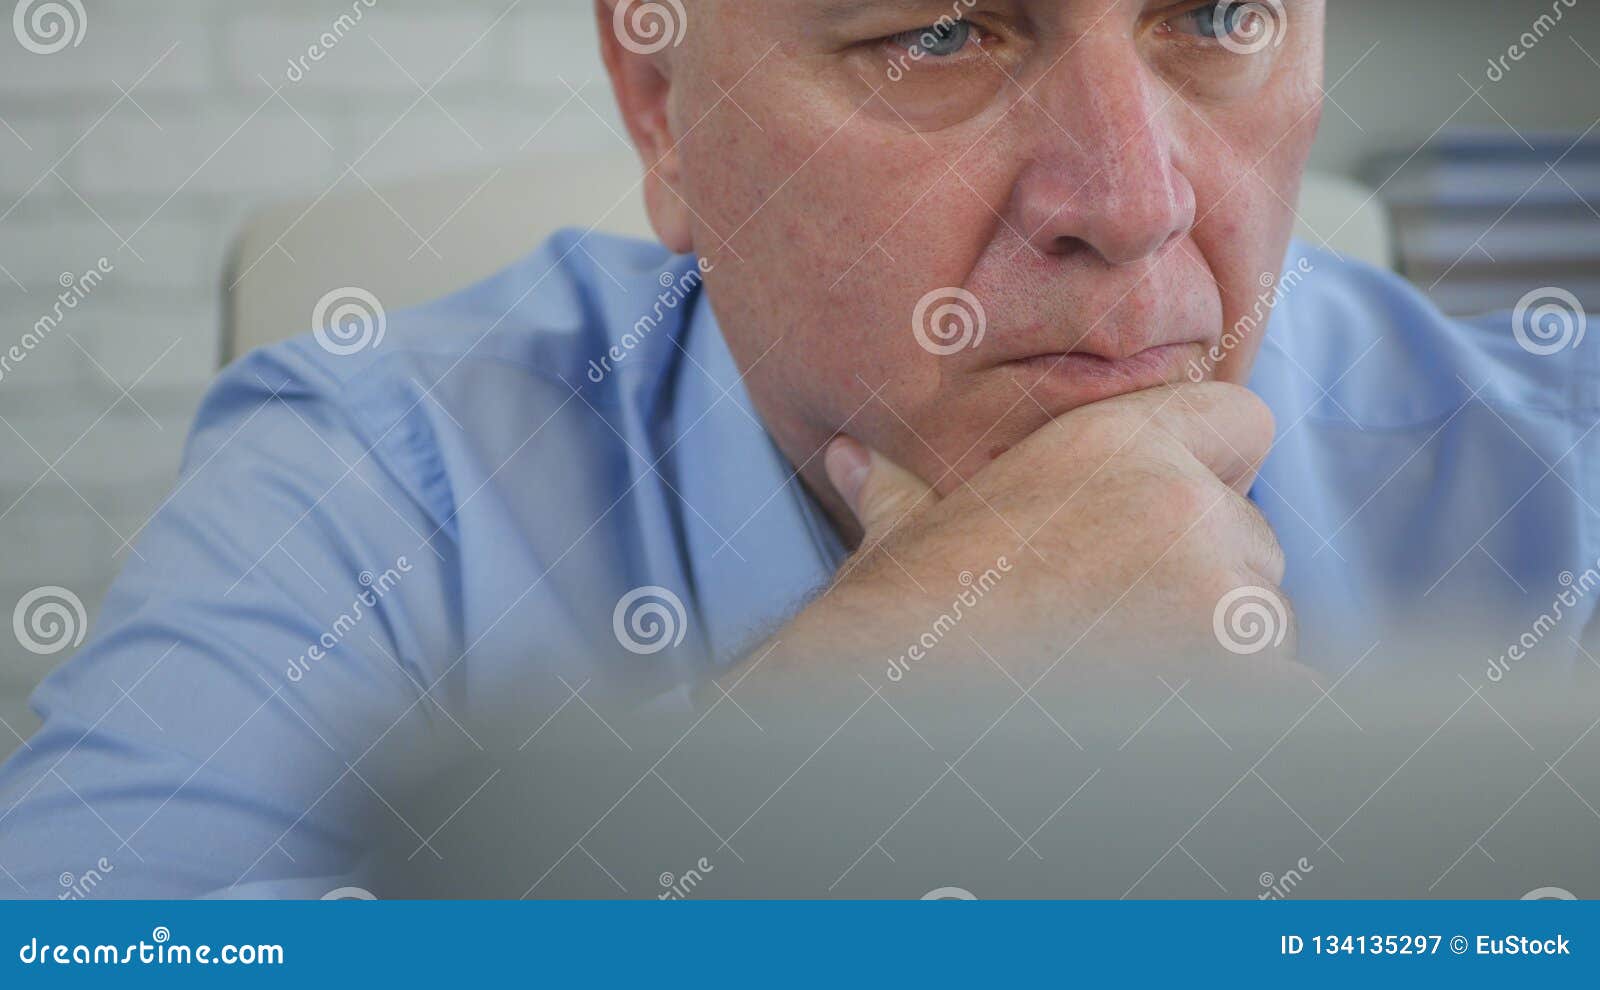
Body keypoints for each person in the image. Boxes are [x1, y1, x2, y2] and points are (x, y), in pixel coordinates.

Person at [0, 0, 1590, 898]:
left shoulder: (1557, 491)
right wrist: (867, 726)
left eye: (1225, 14)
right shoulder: (375, 474)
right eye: (943, 33)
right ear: (663, 109)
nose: (1134, 200)